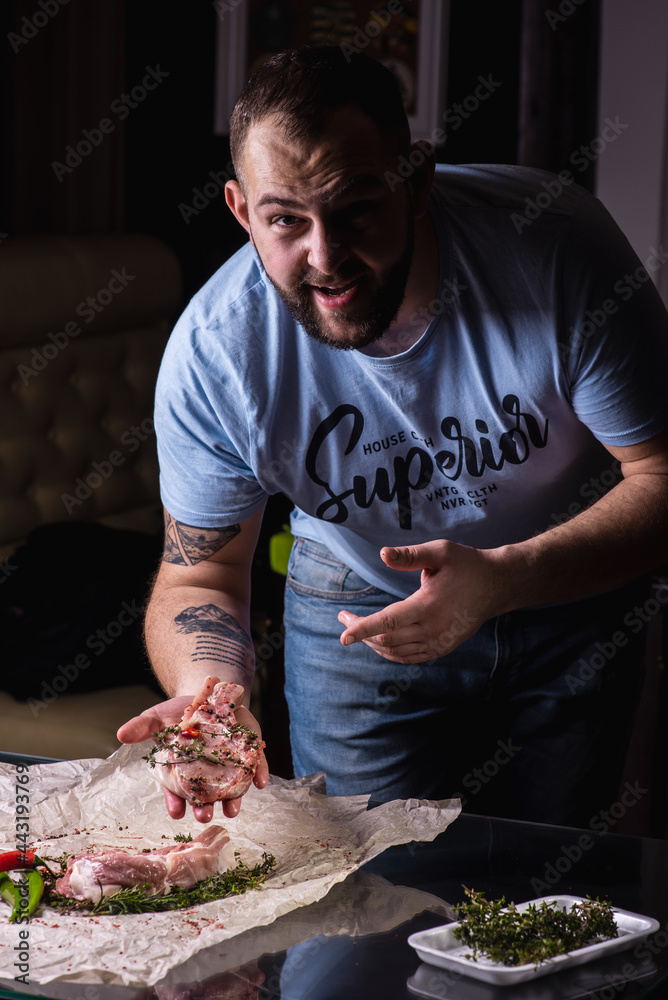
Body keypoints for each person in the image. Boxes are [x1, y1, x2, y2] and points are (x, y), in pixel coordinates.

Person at [118, 46, 668, 828]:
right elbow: (201, 580)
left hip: (568, 589)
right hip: (356, 605)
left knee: (548, 894)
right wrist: (210, 700)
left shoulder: (555, 247)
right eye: (285, 221)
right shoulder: (216, 355)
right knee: (360, 901)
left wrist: (504, 578)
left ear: (416, 180)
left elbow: (660, 476)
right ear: (242, 212)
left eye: (354, 210)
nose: (326, 258)